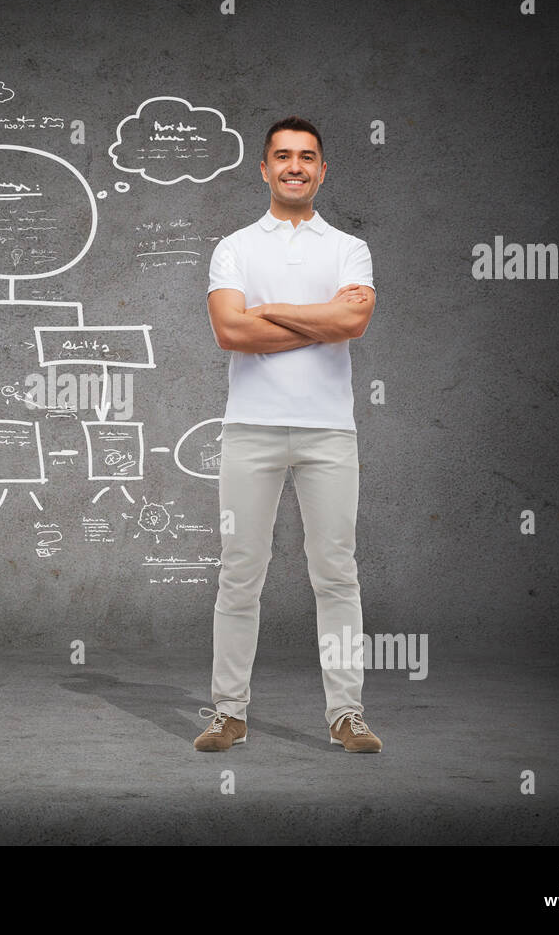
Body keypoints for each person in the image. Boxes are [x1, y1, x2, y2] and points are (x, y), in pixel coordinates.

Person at [194, 116, 382, 754]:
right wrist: (319, 319)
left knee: (336, 573)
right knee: (239, 572)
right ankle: (228, 713)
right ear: (265, 169)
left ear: (322, 170)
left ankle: (347, 714)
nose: (294, 166)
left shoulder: (349, 248)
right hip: (250, 430)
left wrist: (267, 309)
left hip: (331, 432)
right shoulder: (235, 246)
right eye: (282, 156)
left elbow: (353, 322)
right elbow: (230, 332)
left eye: (307, 157)